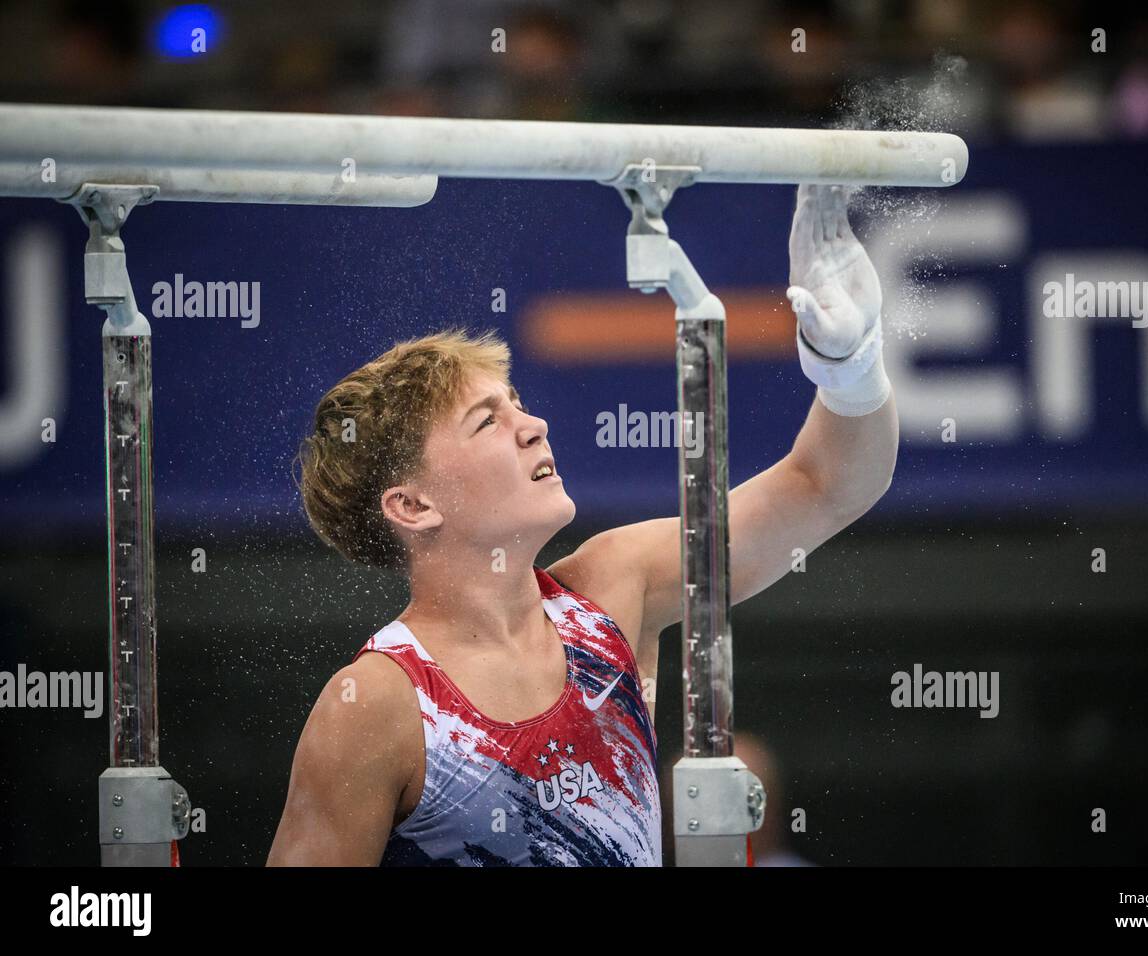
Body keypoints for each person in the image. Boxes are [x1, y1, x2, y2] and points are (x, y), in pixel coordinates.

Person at [266, 184, 899, 866]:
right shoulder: (375, 707)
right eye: (489, 421)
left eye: (517, 404)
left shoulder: (612, 592)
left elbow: (826, 486)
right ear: (414, 506)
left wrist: (850, 367)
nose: (533, 425)